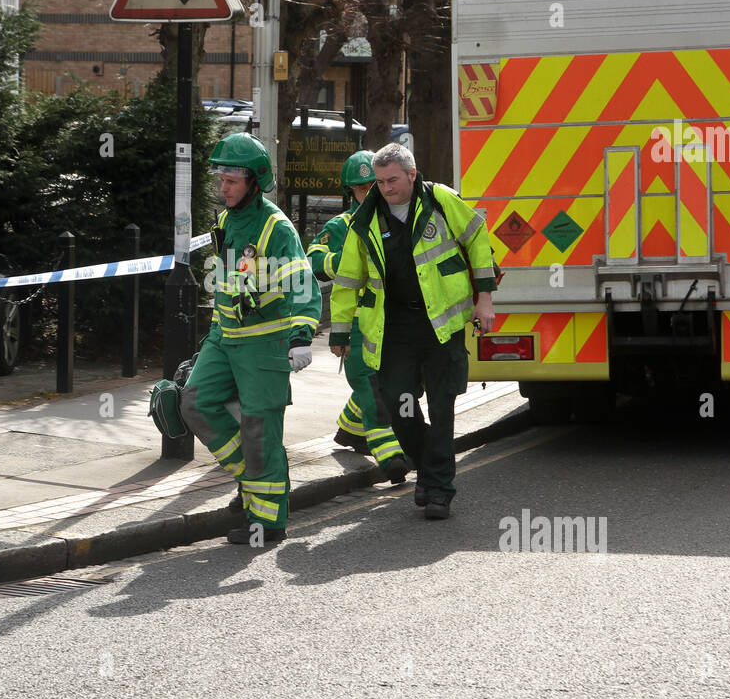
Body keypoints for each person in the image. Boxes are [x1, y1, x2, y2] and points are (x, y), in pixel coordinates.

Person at [329, 143, 496, 518]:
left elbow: (477, 239)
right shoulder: (366, 219)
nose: (385, 188)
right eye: (380, 181)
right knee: (400, 408)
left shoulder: (440, 200)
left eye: (392, 180)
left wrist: (485, 299)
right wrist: (339, 333)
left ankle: (438, 489)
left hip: (442, 326)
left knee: (442, 408)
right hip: (395, 330)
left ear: (412, 174)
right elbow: (348, 280)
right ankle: (429, 470)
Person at [181, 133, 321, 546]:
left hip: (265, 346)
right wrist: (211, 339)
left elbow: (301, 285)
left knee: (259, 431)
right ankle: (254, 480)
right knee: (192, 402)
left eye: (231, 180)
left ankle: (267, 520)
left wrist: (301, 337)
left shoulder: (277, 228)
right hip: (224, 339)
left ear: (255, 182)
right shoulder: (225, 221)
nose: (222, 186)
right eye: (220, 178)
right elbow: (228, 285)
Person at [307, 150, 408, 485]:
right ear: (350, 192)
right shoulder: (341, 225)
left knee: (394, 383)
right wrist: (344, 264)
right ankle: (390, 455)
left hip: (393, 320)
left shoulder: (399, 219)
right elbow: (313, 259)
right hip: (355, 324)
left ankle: (350, 429)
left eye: (373, 185)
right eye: (361, 188)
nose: (368, 193)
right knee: (369, 387)